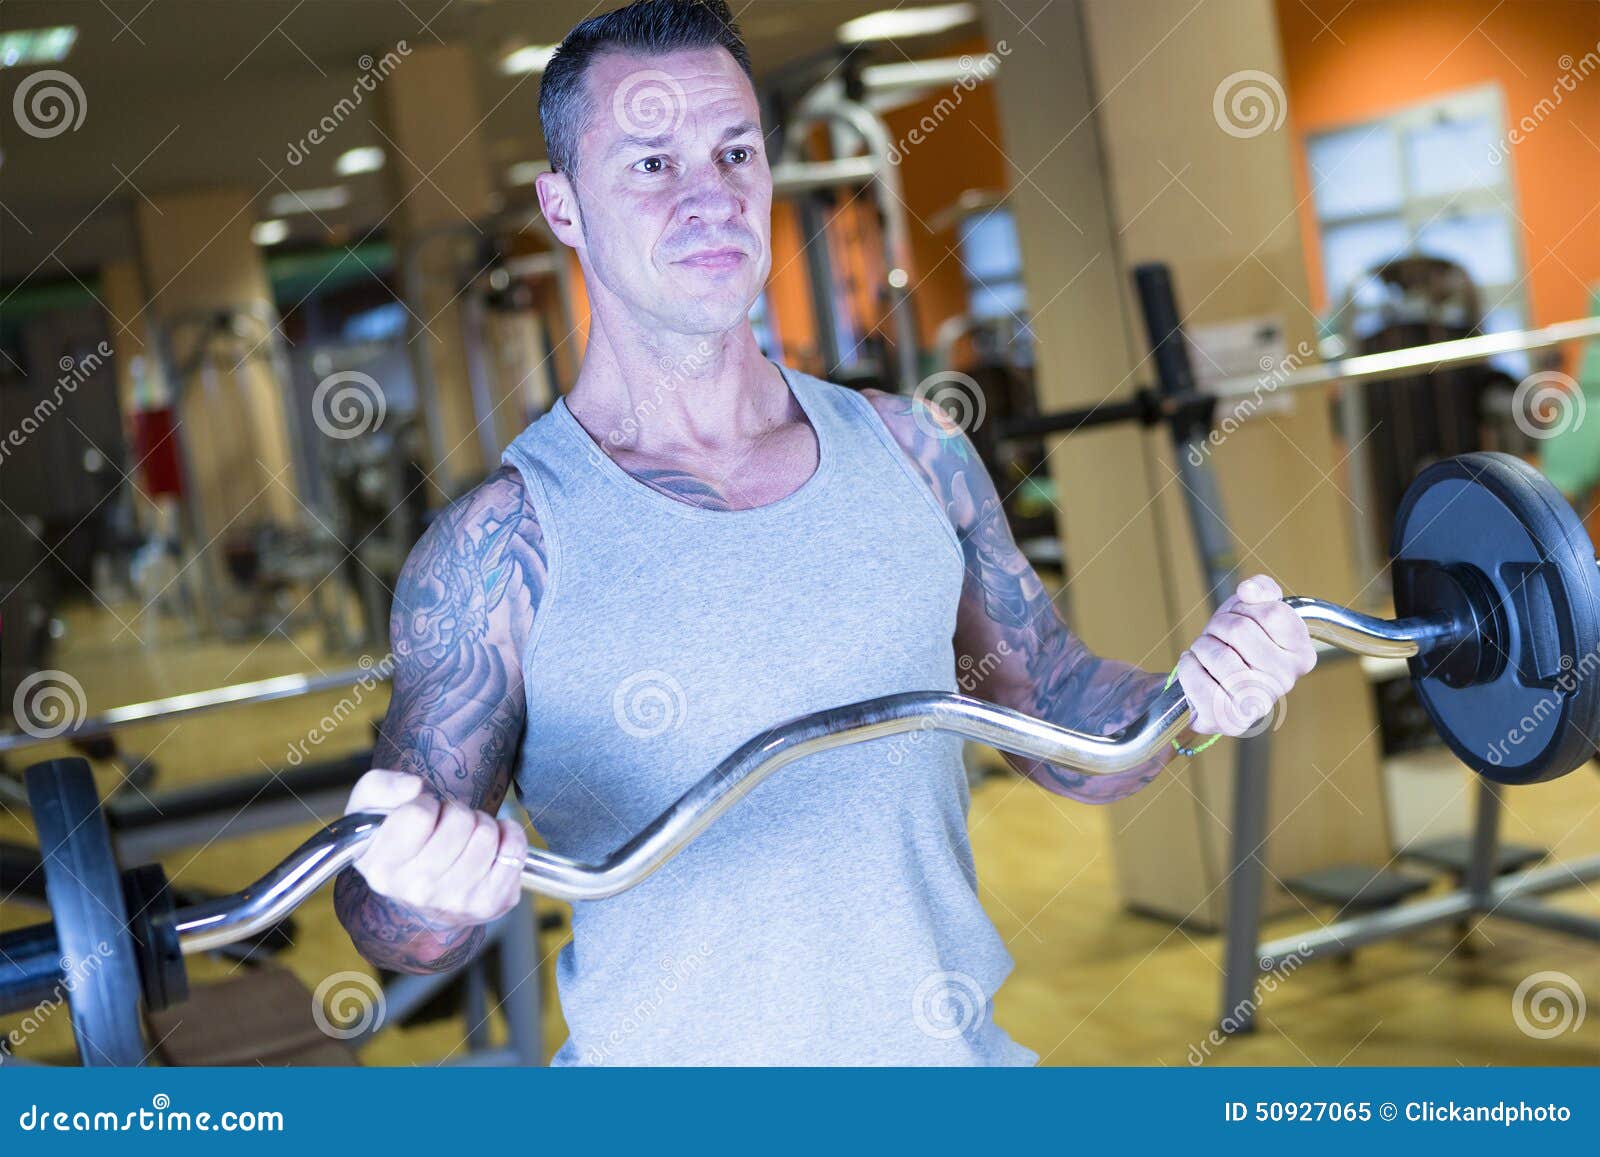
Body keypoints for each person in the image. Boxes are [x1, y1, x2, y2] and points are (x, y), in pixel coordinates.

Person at [334, 0, 1316, 1065]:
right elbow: (393, 926)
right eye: (652, 165)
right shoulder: (499, 547)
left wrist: (1199, 694)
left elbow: (1071, 730)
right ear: (562, 208)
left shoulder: (914, 451)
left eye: (735, 151)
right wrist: (414, 882)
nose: (710, 196)